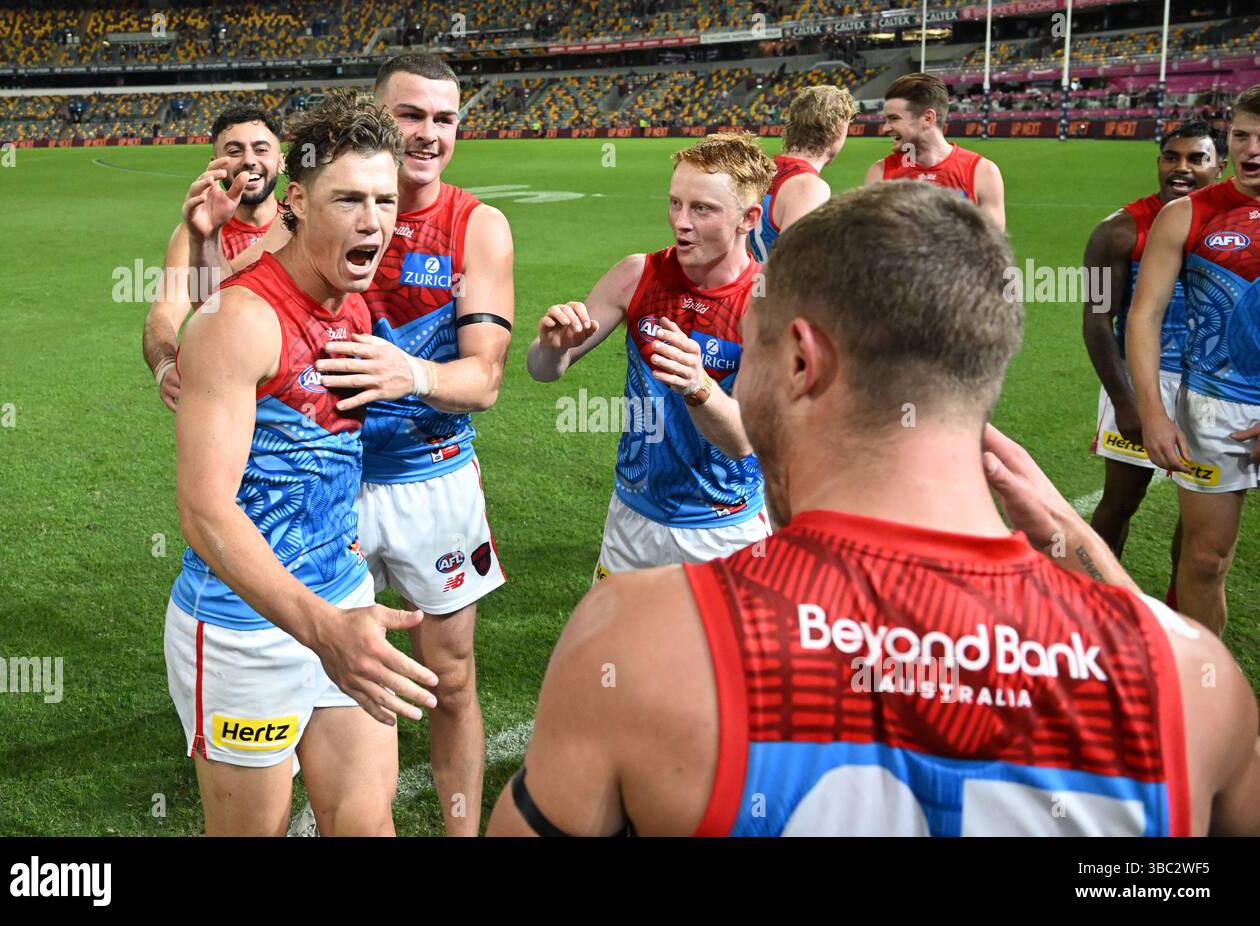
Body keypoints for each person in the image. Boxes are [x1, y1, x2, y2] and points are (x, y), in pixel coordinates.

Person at [487, 182, 1260, 837]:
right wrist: (1073, 544)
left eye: (750, 347)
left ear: (799, 359)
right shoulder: (1192, 680)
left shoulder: (637, 638)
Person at [167, 90, 437, 837]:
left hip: (344, 603)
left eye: (385, 200)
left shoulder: (350, 301)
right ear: (297, 203)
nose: (373, 221)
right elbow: (203, 511)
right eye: (348, 198)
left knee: (365, 824)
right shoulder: (239, 322)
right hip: (242, 631)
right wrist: (322, 629)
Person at [309, 54, 514, 836]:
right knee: (329, 673)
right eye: (410, 116)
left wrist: (412, 374)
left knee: (451, 678)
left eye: (444, 119)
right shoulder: (326, 209)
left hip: (435, 481)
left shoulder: (475, 225)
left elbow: (486, 379)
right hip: (331, 482)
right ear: (377, 115)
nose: (428, 134)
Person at [527, 133, 775, 580]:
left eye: (702, 209)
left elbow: (745, 441)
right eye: (675, 203)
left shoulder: (767, 303)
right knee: (616, 650)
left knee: (715, 653)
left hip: (724, 529)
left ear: (749, 218)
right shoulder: (636, 274)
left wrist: (697, 385)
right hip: (632, 517)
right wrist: (553, 346)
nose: (681, 221)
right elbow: (541, 372)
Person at [1128, 84, 1260, 636]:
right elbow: (1144, 317)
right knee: (1205, 561)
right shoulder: (1189, 214)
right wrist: (1154, 416)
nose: (1253, 149)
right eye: (1242, 135)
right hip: (1211, 412)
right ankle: (1206, 688)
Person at [1082, 121, 1226, 590]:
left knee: (1201, 520)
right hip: (1143, 383)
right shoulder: (1118, 231)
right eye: (1171, 157)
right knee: (1119, 501)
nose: (1180, 168)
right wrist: (1126, 401)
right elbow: (1098, 321)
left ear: (1219, 167)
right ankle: (1094, 603)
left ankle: (1180, 615)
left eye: (1196, 159)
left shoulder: (1241, 229)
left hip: (1216, 390)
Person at [142, 106, 289, 411]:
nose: (249, 160)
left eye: (261, 149)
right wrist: (165, 365)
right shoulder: (193, 233)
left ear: (281, 160)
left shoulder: (304, 224)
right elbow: (163, 316)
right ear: (215, 165)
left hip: (295, 400)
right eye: (234, 151)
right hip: (223, 401)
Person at [864, 73, 1006, 229]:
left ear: (927, 118)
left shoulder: (982, 173)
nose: (885, 128)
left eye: (894, 118)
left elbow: (992, 246)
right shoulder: (879, 173)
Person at [749, 84, 855, 262]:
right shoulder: (808, 187)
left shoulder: (764, 171)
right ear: (838, 128)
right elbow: (797, 267)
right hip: (776, 288)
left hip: (758, 285)